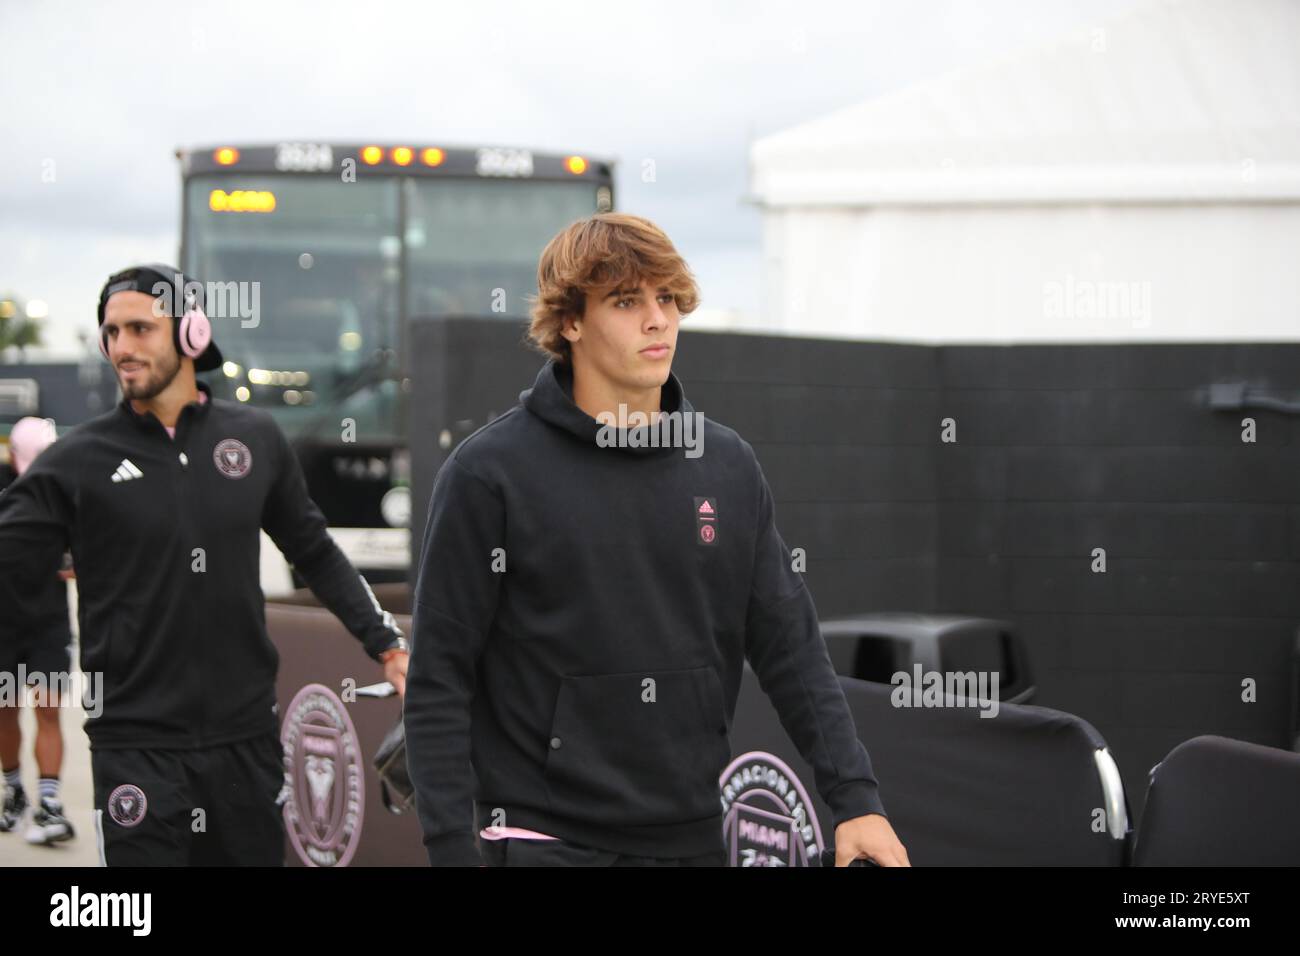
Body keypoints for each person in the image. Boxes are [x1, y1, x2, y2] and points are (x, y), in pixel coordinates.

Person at [404, 214, 910, 867]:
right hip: (542, 841)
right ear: (570, 321)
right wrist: (451, 848)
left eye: (667, 298)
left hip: (691, 838)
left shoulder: (726, 465)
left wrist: (856, 798)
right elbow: (440, 679)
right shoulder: (488, 473)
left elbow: (791, 648)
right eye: (626, 301)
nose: (657, 320)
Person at [0, 264, 409, 865]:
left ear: (192, 333)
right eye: (111, 332)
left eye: (140, 328)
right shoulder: (76, 460)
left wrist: (388, 645)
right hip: (133, 749)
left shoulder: (256, 438)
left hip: (246, 741)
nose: (121, 347)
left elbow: (314, 552)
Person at [0, 416, 76, 845]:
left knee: (48, 708)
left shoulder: (66, 494)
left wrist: (78, 559)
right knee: (5, 710)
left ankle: (49, 804)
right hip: (2, 623)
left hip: (48, 621)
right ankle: (14, 792)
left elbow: (94, 545)